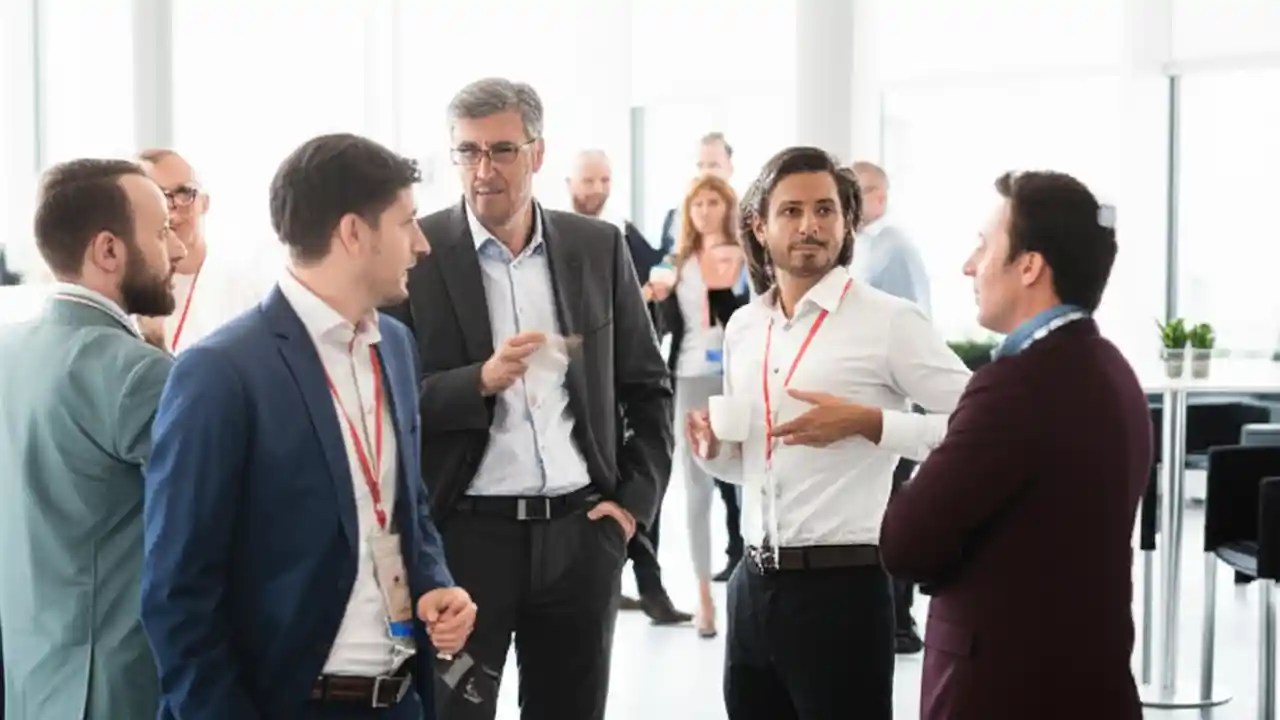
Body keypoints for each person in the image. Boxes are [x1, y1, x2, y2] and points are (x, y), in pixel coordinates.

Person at [142, 133, 475, 720]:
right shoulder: (221, 372)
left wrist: (436, 585)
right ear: (354, 233)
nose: (421, 245)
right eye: (407, 223)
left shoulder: (393, 346)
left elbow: (406, 509)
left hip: (402, 698)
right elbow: (177, 595)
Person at [386, 77, 673, 720]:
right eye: (468, 152)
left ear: (538, 154)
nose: (483, 170)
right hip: (465, 542)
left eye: (502, 151)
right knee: (455, 712)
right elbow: (388, 403)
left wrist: (631, 507)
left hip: (582, 538)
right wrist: (478, 382)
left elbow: (648, 387)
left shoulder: (597, 248)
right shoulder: (417, 253)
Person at [684, 146, 969, 719]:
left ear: (847, 223)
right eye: (791, 211)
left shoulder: (889, 321)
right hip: (752, 584)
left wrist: (872, 423)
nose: (809, 226)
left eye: (824, 210)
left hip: (844, 588)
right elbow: (750, 465)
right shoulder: (745, 326)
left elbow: (982, 422)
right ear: (759, 226)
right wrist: (714, 451)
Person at [880, 172, 1147, 720]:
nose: (969, 265)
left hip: (1004, 689)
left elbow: (906, 543)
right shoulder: (1113, 370)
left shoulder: (1015, 387)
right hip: (1089, 683)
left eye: (983, 244)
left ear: (1029, 265)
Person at [0, 158, 185, 719]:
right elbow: (209, 528)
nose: (176, 249)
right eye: (160, 231)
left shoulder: (10, 351)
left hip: (32, 681)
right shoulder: (139, 374)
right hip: (114, 691)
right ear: (108, 250)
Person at [566, 148, 690, 625]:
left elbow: (661, 270)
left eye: (604, 179)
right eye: (588, 180)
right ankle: (626, 585)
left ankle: (650, 586)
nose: (596, 189)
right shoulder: (551, 234)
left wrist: (647, 291)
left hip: (622, 374)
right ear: (568, 181)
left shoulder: (618, 230)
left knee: (637, 477)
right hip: (574, 380)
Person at [649, 173, 749, 638]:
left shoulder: (747, 257)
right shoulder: (677, 261)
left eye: (714, 202)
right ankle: (704, 597)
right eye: (698, 203)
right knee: (696, 489)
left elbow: (736, 310)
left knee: (747, 482)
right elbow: (655, 296)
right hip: (688, 375)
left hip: (738, 378)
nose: (705, 211)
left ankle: (750, 590)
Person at [846, 160, 933, 654]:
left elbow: (913, 322)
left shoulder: (891, 246)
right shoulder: (860, 247)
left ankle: (899, 620)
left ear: (878, 194)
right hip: (867, 406)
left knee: (892, 510)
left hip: (893, 407)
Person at [134, 149, 277, 352]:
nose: (171, 213)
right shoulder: (126, 291)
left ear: (205, 203)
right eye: (157, 197)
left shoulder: (246, 286)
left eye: (184, 194)